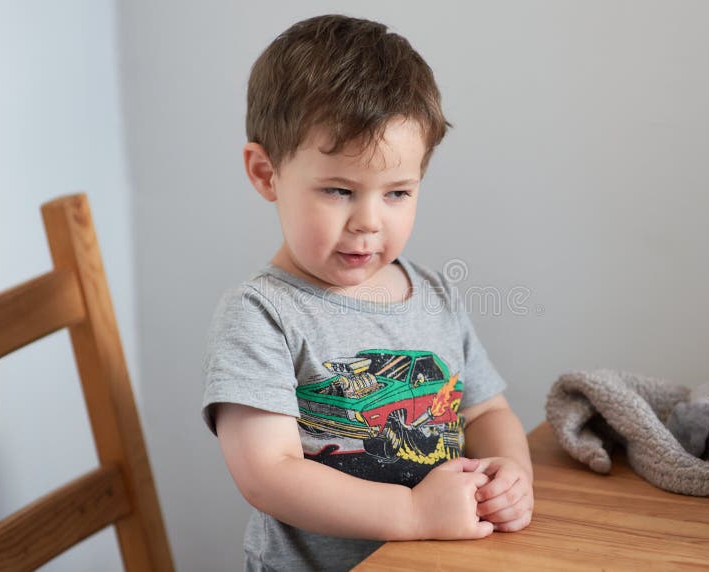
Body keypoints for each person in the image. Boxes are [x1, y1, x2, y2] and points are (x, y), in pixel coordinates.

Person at [201, 14, 533, 571]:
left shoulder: (432, 292)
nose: (369, 222)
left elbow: (486, 409)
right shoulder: (262, 315)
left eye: (398, 193)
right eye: (338, 190)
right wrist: (412, 512)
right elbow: (269, 473)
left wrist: (508, 469)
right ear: (266, 174)